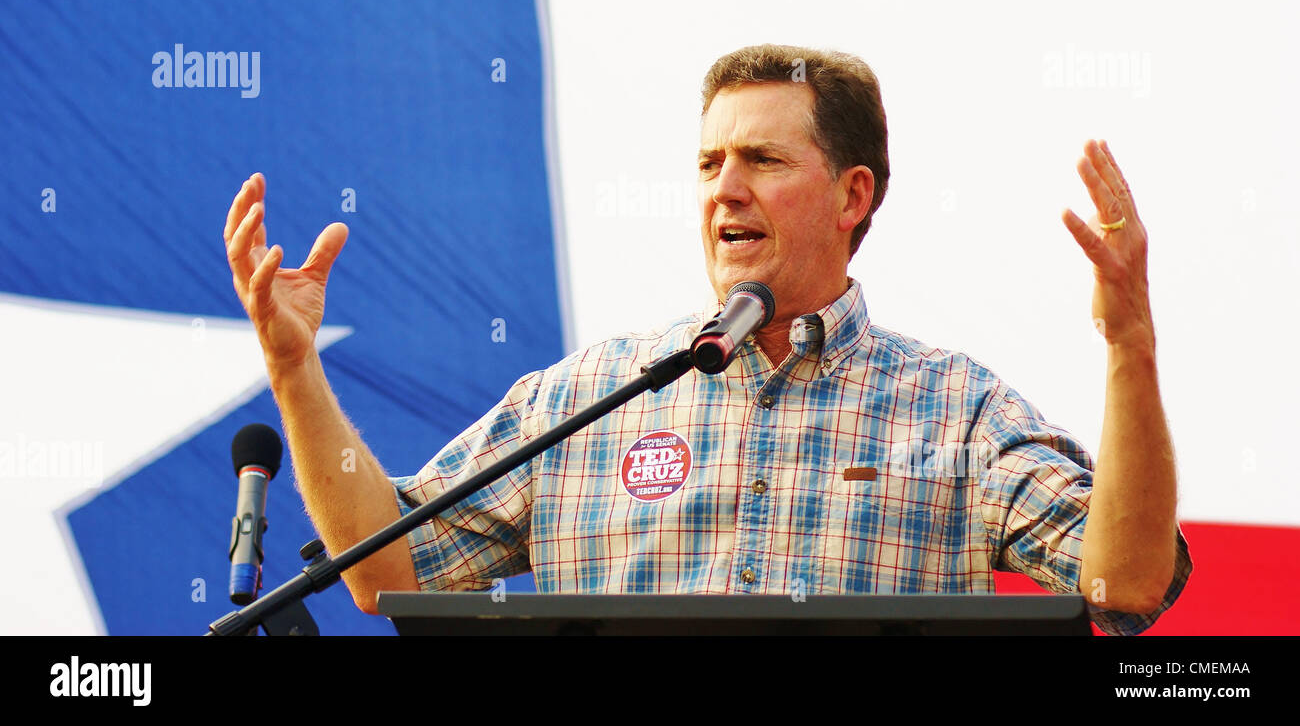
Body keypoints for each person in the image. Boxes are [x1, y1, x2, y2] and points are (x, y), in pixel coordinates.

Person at [224, 43, 1191, 635]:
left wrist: (1131, 347)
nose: (724, 187)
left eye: (763, 159)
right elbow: (387, 568)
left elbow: (1127, 579)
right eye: (708, 162)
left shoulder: (955, 408)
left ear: (853, 195)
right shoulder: (583, 397)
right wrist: (294, 369)